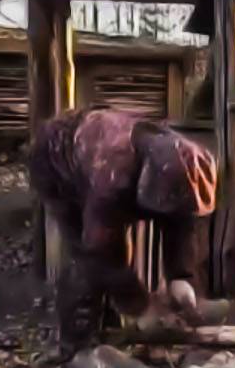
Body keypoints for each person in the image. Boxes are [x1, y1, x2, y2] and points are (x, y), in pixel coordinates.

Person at [28, 106, 218, 353]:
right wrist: (141, 306)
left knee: (113, 255)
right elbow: (99, 251)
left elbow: (181, 223)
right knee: (87, 259)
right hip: (57, 160)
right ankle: (76, 347)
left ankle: (112, 327)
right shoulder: (112, 179)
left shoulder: (181, 159)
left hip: (103, 152)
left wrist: (181, 277)